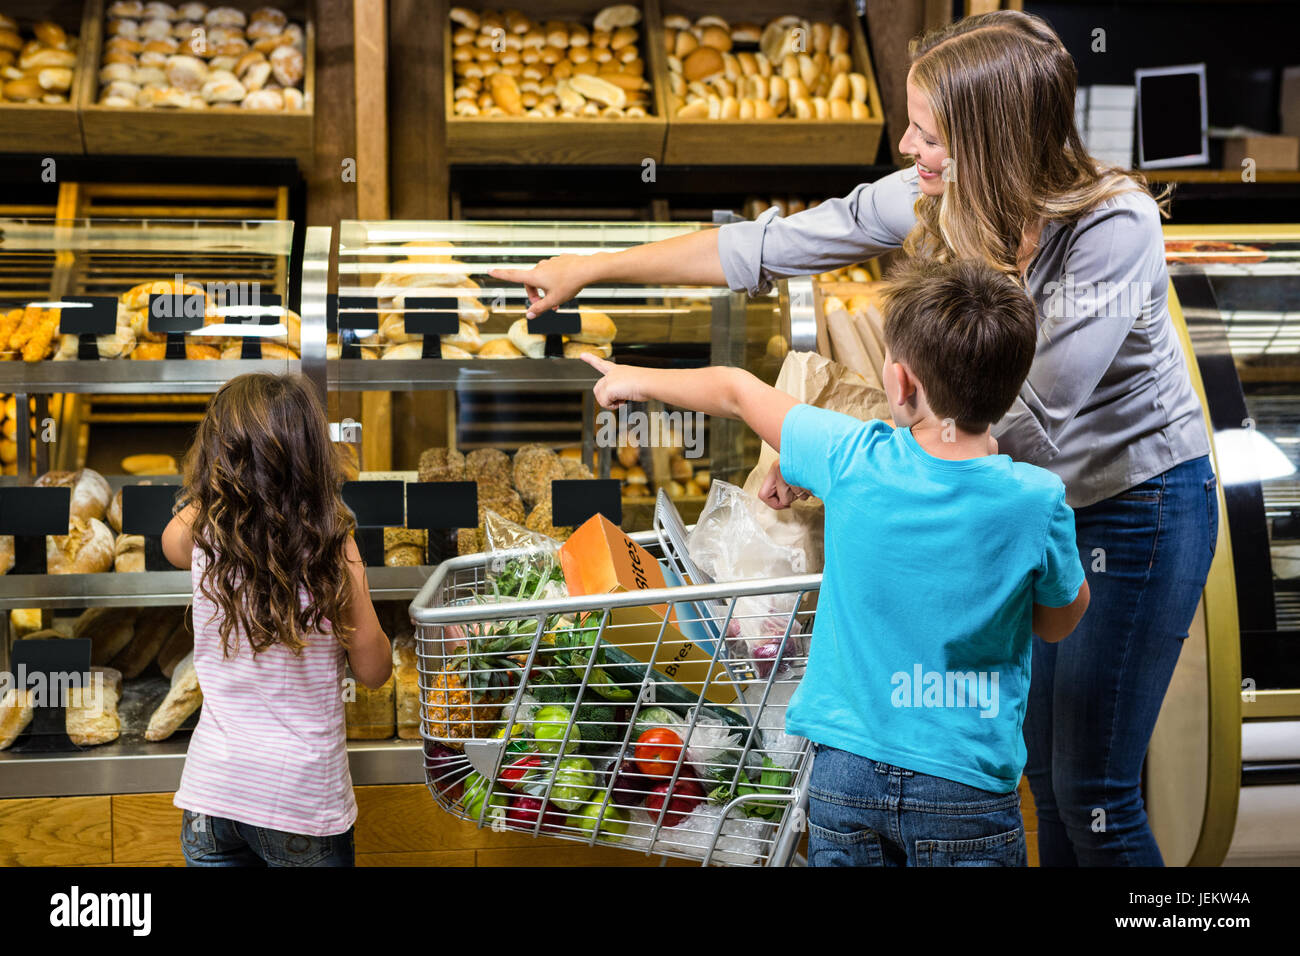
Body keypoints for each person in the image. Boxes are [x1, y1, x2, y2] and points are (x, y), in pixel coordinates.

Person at [492, 10, 1217, 866]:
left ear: (993, 140)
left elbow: (1026, 416)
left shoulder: (1113, 227)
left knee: (1091, 790)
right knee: (1042, 782)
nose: (908, 144)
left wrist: (858, 470)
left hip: (1131, 505)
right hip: (1013, 509)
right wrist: (595, 267)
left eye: (928, 130)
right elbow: (773, 245)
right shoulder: (935, 191)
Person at [579, 257, 1089, 866]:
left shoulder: (851, 457)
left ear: (899, 384)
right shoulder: (1036, 501)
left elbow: (738, 391)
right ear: (1010, 388)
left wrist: (625, 378)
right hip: (964, 785)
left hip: (845, 775)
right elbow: (1060, 620)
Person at [162, 372, 391, 867]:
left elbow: (171, 541)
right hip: (299, 802)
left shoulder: (203, 531)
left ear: (216, 454)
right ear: (311, 453)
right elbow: (375, 671)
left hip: (213, 797)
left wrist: (222, 483)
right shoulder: (334, 549)